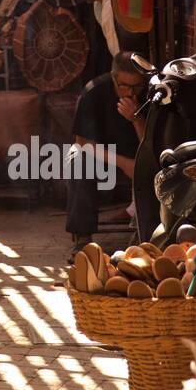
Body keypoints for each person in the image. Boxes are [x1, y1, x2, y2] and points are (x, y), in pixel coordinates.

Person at [66, 51, 146, 254]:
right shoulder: (94, 92)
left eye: (136, 86)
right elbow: (83, 143)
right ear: (114, 78)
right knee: (78, 162)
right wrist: (123, 163)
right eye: (124, 86)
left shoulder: (150, 93)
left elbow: (152, 143)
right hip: (100, 155)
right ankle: (83, 238)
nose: (130, 93)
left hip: (139, 153)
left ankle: (150, 232)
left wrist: (136, 119)